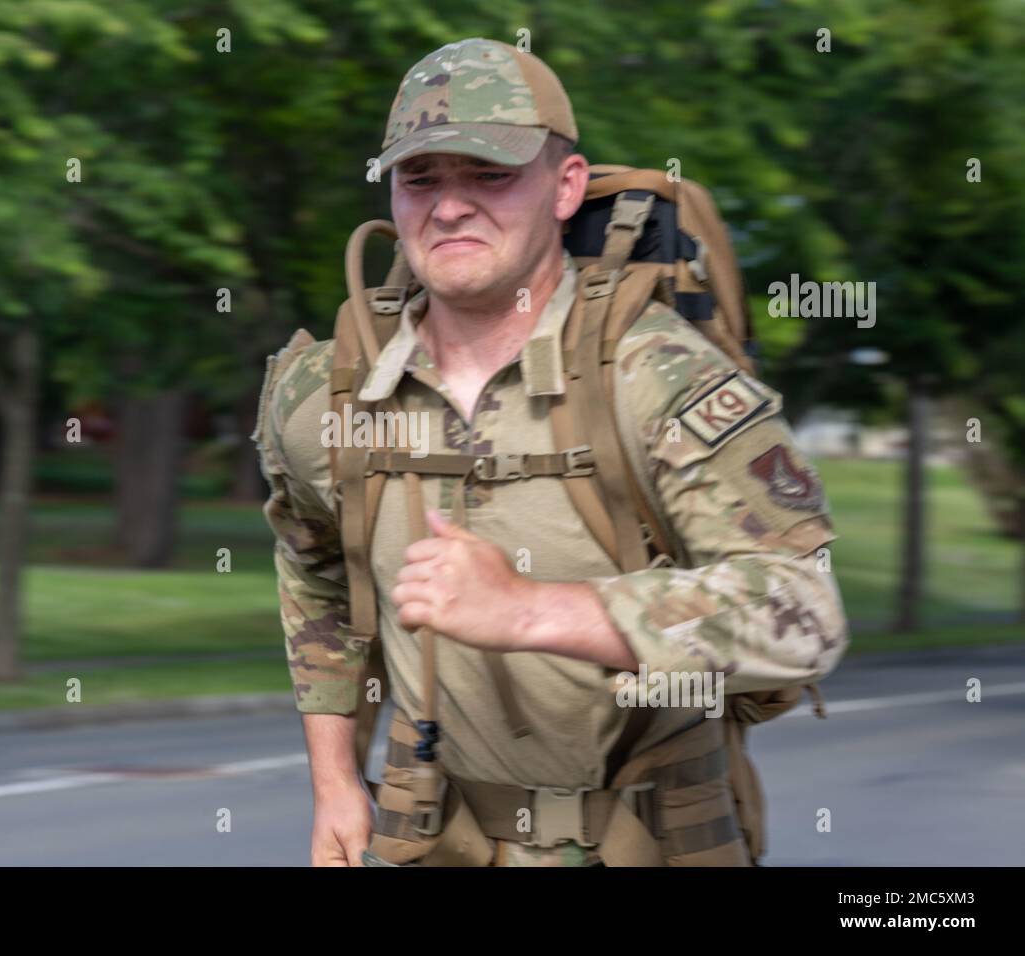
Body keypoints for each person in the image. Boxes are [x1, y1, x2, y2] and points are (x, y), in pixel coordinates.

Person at [254, 37, 848, 867]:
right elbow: (315, 571)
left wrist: (532, 610)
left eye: (491, 175)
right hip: (433, 836)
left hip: (654, 837)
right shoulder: (324, 394)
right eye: (421, 178)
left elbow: (805, 612)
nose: (450, 207)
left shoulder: (655, 376)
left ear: (566, 187)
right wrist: (335, 785)